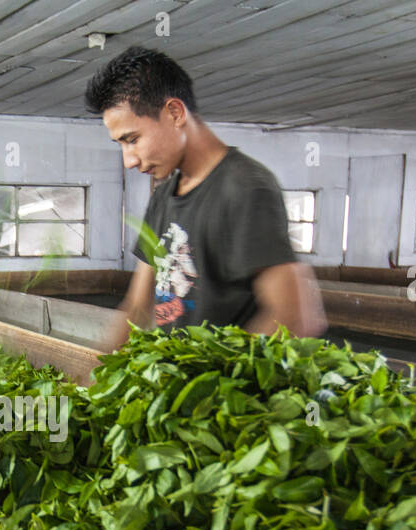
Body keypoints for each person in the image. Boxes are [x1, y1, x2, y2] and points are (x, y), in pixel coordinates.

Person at [85, 46, 328, 350]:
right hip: (177, 385)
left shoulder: (245, 188)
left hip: (225, 392)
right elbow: (137, 305)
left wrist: (208, 386)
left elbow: (294, 320)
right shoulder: (163, 198)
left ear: (175, 113)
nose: (129, 161)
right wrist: (98, 374)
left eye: (132, 140)